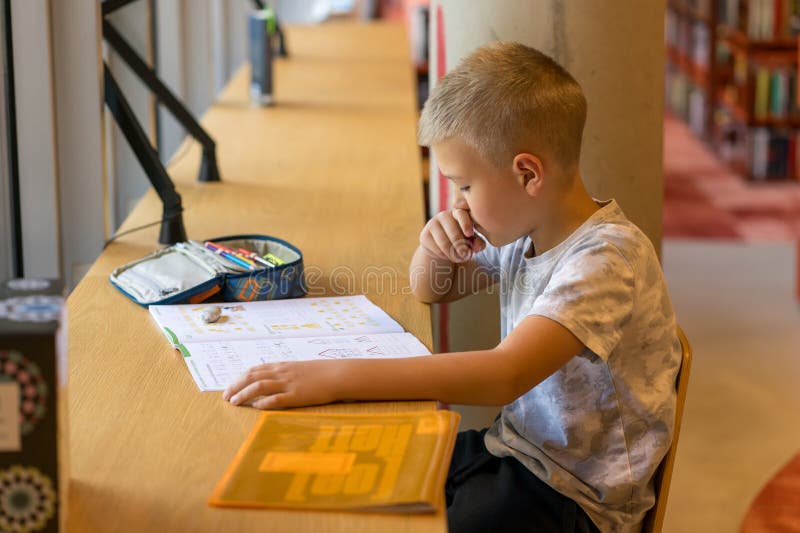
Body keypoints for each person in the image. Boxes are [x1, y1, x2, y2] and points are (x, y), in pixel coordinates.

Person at [223, 41, 681, 533]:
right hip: (513, 451)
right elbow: (430, 289)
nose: (458, 200)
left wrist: (335, 376)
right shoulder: (525, 227)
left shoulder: (606, 258)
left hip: (576, 499)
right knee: (356, 472)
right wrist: (434, 246)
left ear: (527, 173)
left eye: (463, 186)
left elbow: (504, 374)